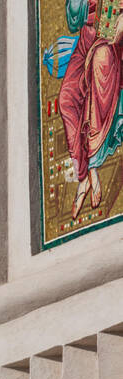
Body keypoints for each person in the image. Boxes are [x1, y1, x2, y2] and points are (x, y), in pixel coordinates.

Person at [58, 0, 123, 219]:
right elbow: (72, 19)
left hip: (110, 36)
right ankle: (82, 174)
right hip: (87, 38)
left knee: (99, 63)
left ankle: (93, 165)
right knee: (66, 99)